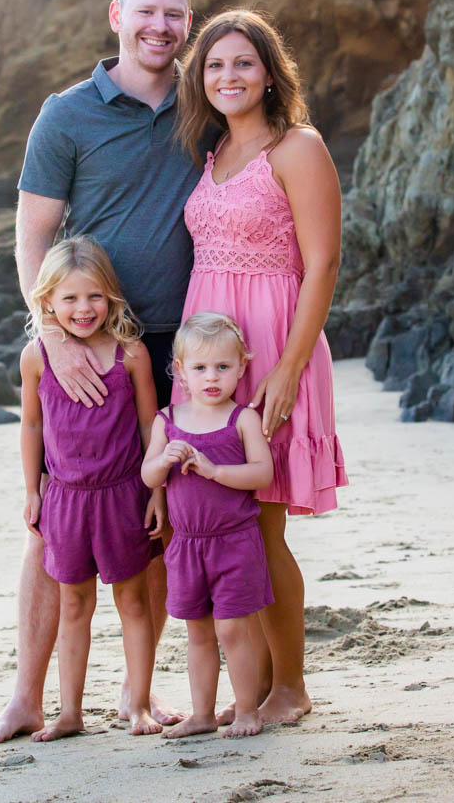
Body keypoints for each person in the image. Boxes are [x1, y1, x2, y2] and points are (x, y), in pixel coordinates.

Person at [0, 0, 200, 744]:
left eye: (175, 14)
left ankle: (138, 691)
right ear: (117, 15)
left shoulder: (202, 104)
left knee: (163, 514)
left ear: (188, 22)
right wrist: (52, 335)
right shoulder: (65, 114)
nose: (160, 27)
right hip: (81, 346)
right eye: (147, 12)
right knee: (53, 523)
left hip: (175, 343)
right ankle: (27, 698)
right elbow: (33, 233)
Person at [172, 8, 347, 725]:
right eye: (214, 66)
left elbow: (324, 263)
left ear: (270, 73)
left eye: (242, 63)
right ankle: (262, 686)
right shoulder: (212, 153)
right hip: (213, 353)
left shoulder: (297, 148)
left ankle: (292, 689)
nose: (228, 76)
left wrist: (286, 368)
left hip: (276, 346)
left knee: (265, 526)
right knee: (233, 519)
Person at [18, 237, 166, 739]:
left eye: (95, 297)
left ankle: (139, 704)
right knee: (74, 605)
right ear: (48, 302)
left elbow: (152, 429)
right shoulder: (37, 358)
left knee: (134, 603)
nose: (84, 309)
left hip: (123, 497)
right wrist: (33, 489)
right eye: (71, 298)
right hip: (64, 500)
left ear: (112, 298)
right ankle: (69, 713)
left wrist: (157, 493)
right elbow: (32, 427)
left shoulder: (132, 355)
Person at [142, 313, 274, 739]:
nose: (211, 377)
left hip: (235, 542)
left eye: (223, 367)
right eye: (199, 368)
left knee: (233, 628)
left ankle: (248, 710)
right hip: (186, 545)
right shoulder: (167, 420)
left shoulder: (243, 419)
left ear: (241, 367)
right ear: (180, 371)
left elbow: (261, 475)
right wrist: (162, 462)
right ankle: (201, 714)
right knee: (197, 632)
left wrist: (215, 471)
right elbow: (148, 476)